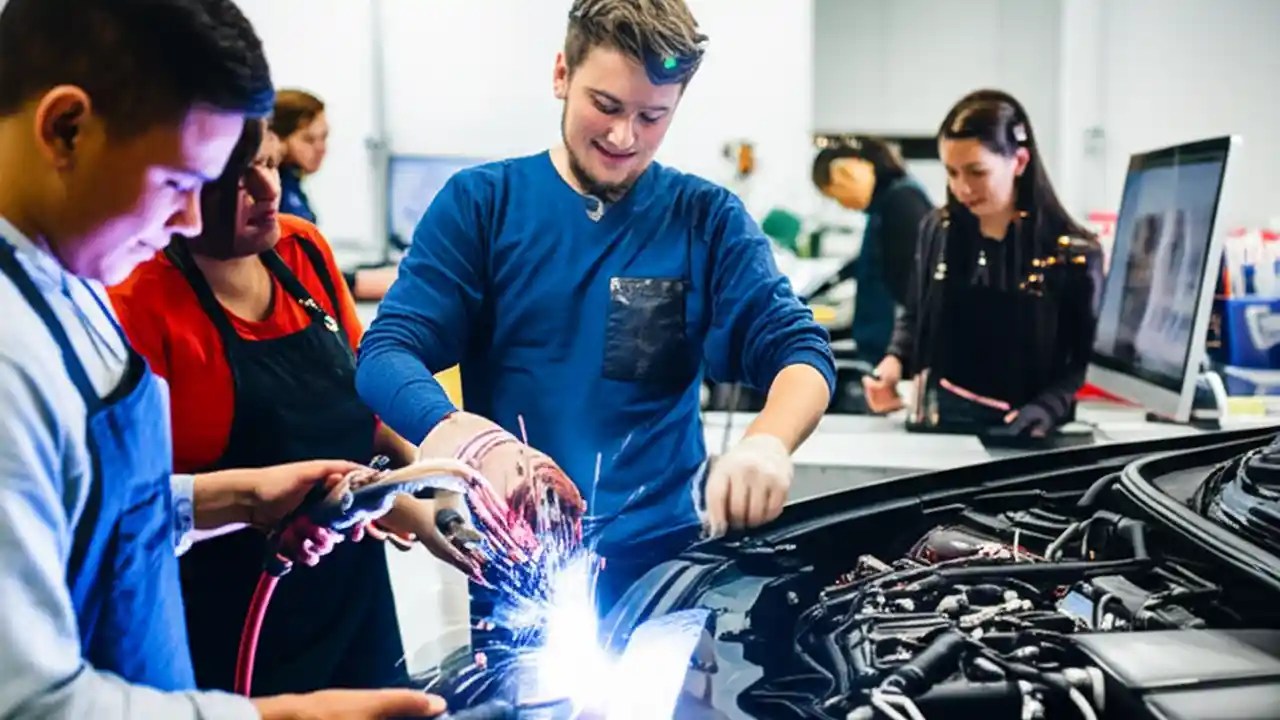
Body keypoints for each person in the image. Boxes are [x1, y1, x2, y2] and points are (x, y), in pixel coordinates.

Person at [0, 1, 443, 718]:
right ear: (67, 129)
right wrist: (277, 716)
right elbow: (29, 702)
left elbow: (90, 516)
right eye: (180, 185)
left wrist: (232, 500)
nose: (189, 221)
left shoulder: (66, 276)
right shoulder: (13, 350)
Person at [356, 0, 836, 617]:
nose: (622, 136)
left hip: (663, 567)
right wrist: (465, 439)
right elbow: (385, 354)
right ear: (562, 74)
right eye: (605, 106)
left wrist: (767, 442)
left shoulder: (705, 220)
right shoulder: (483, 205)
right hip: (520, 566)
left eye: (652, 116)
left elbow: (800, 351)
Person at [109, 120, 469, 696]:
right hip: (233, 619)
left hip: (350, 594)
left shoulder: (302, 250)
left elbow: (363, 421)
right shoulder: (137, 297)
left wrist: (427, 504)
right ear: (180, 185)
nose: (268, 189)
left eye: (271, 164)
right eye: (237, 178)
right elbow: (135, 504)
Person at [863, 89, 1104, 436]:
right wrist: (893, 362)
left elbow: (1084, 360)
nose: (962, 188)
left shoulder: (1073, 254)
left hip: (1027, 441)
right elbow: (916, 315)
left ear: (1019, 162)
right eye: (952, 172)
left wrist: (1048, 408)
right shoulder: (938, 229)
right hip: (938, 429)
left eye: (977, 172)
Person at [810, 137, 934, 364]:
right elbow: (873, 259)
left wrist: (899, 352)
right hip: (882, 345)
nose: (842, 203)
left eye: (837, 191)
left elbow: (912, 285)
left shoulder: (902, 202)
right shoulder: (886, 203)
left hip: (893, 352)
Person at [271, 89, 396, 301]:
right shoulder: (274, 190)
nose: (321, 149)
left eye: (324, 137)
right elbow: (295, 277)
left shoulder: (292, 183)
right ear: (278, 140)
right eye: (309, 140)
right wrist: (360, 283)